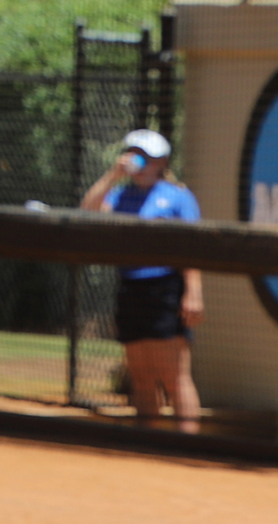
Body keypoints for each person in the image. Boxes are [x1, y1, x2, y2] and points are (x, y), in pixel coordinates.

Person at [79, 129, 205, 433]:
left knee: (174, 376)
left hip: (165, 289)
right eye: (135, 154)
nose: (140, 162)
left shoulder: (177, 196)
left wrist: (193, 293)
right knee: (142, 375)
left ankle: (191, 446)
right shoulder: (120, 195)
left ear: (162, 162)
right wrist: (113, 175)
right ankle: (149, 443)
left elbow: (194, 248)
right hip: (130, 287)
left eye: (148, 157)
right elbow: (88, 211)